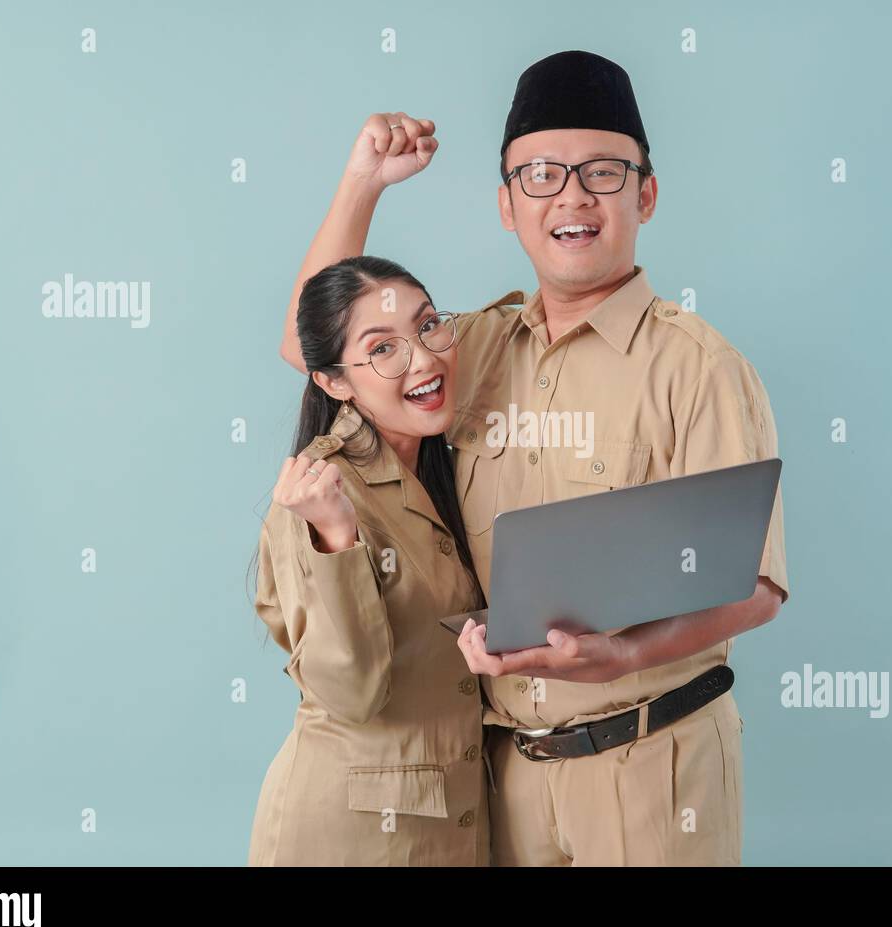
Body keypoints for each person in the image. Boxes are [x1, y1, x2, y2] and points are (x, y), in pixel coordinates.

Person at [278, 52, 790, 866]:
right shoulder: (470, 348)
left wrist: (617, 655)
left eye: (603, 173)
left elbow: (757, 588)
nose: (573, 196)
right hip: (505, 779)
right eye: (542, 175)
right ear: (508, 207)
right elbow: (313, 348)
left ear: (645, 195)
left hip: (651, 764)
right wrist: (363, 183)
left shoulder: (700, 367)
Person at [248, 146, 490, 861]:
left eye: (427, 326)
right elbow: (350, 690)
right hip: (352, 838)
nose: (422, 358)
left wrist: (372, 183)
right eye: (381, 349)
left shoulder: (437, 455)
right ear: (334, 384)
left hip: (450, 827)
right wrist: (335, 541)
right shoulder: (318, 494)